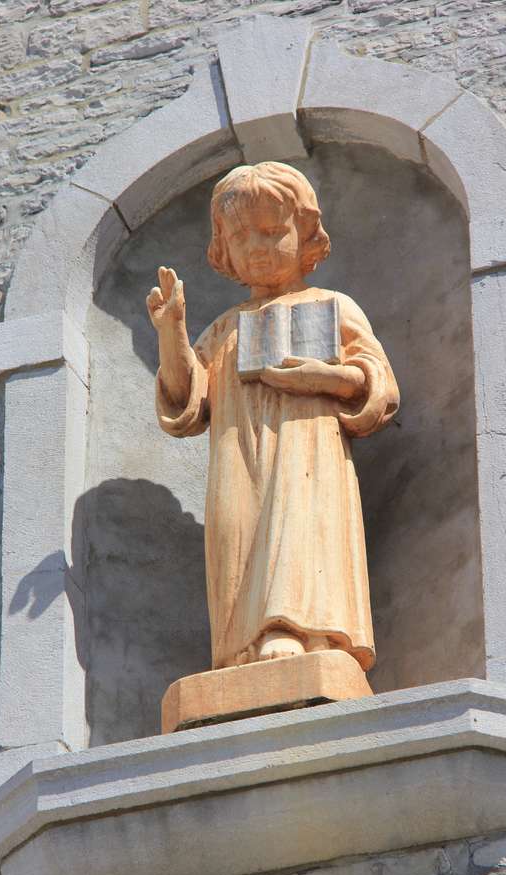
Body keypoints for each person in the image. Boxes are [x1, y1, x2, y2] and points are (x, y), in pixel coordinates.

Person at [147, 161, 399, 673]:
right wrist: (171, 331)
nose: (257, 247)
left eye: (271, 231)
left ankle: (298, 630)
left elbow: (380, 384)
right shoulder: (225, 328)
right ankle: (244, 645)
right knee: (237, 534)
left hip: (306, 451)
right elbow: (185, 400)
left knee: (299, 523)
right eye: (241, 236)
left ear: (304, 234)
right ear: (225, 251)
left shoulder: (332, 305)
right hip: (238, 458)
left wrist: (324, 378)